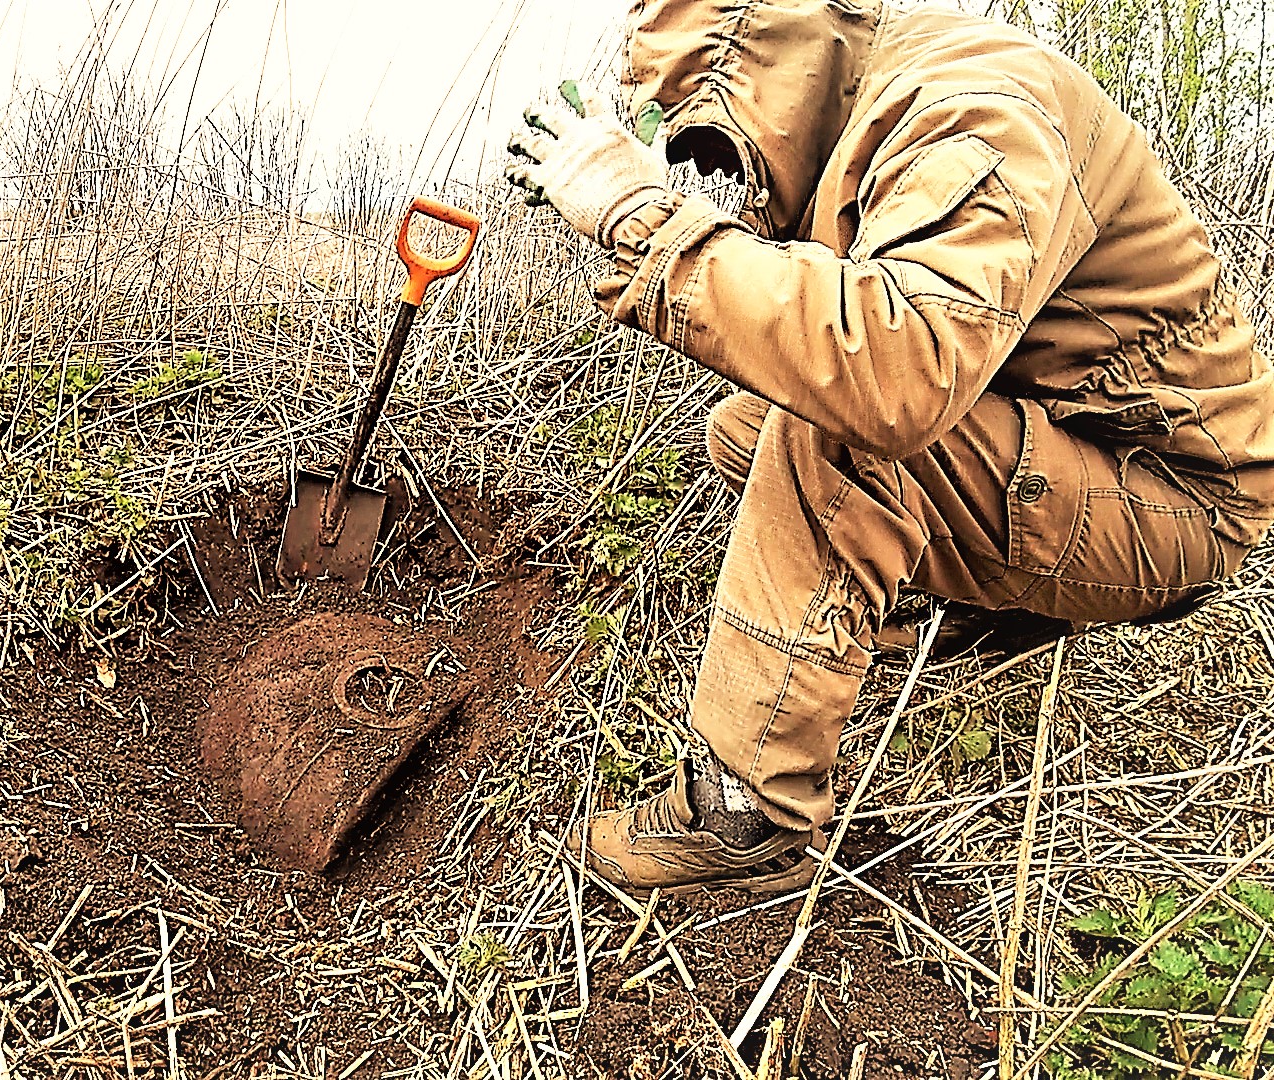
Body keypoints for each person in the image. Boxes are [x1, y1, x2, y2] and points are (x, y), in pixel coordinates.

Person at [505, 0, 1274, 895]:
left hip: (1176, 496)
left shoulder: (968, 115)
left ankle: (744, 814)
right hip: (1083, 447)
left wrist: (644, 218)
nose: (714, 172)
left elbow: (894, 372)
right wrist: (659, 211)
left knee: (833, 428)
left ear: (766, 63)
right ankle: (973, 608)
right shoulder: (867, 101)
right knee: (745, 429)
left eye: (710, 139)